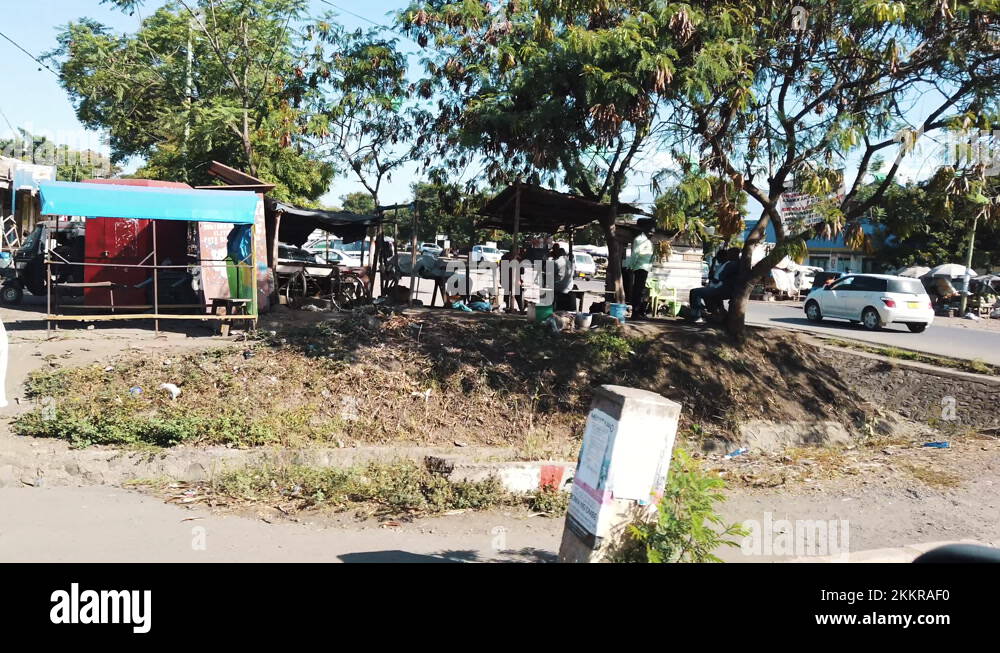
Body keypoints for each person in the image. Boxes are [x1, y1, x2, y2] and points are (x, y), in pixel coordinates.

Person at [688, 248, 740, 323]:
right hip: (718, 287)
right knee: (704, 296)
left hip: (723, 288)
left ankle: (696, 316)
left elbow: (717, 278)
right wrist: (713, 264)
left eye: (729, 253)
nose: (728, 255)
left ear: (734, 254)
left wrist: (714, 281)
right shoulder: (725, 264)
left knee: (695, 292)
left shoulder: (732, 264)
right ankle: (716, 314)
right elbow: (712, 276)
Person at [623, 218, 655, 319]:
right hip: (639, 268)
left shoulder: (649, 242)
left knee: (641, 291)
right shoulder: (639, 240)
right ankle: (635, 313)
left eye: (653, 231)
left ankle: (640, 312)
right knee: (637, 291)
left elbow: (651, 256)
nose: (652, 233)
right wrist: (631, 267)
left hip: (645, 269)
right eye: (650, 230)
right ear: (644, 229)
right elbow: (635, 255)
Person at [550, 245, 577, 311]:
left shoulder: (556, 262)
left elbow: (548, 272)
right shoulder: (569, 262)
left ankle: (549, 307)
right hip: (569, 287)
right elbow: (573, 274)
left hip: (558, 287)